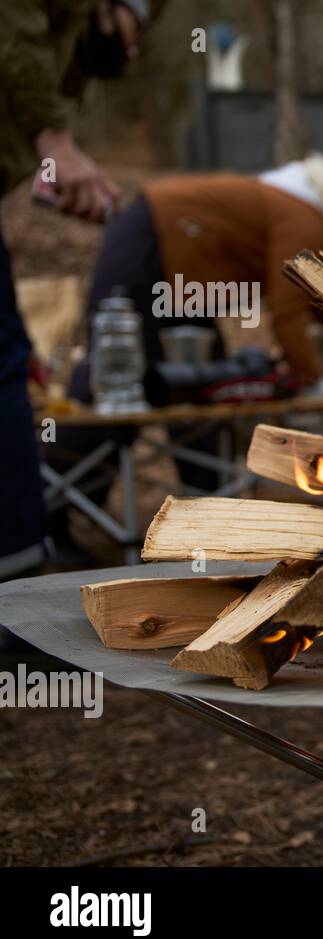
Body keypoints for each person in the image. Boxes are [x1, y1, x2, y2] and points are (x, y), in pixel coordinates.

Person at [43, 154, 323, 557]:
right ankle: (51, 517)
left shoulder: (301, 204)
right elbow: (287, 314)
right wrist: (318, 382)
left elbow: (311, 299)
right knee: (109, 388)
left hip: (183, 280)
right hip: (146, 248)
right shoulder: (304, 216)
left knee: (206, 389)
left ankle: (206, 525)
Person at [0, 0, 152, 580]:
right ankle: (15, 581)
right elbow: (15, 30)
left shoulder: (73, 59)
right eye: (136, 26)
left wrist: (51, 167)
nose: (133, 50)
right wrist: (55, 141)